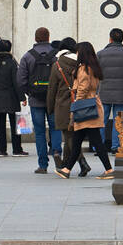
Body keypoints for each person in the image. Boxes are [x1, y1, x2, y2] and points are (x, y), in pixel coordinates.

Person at [57, 42, 114, 178]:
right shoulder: (94, 67)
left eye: (77, 52)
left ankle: (109, 170)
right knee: (77, 141)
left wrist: (78, 102)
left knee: (94, 141)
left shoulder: (83, 69)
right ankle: (66, 170)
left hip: (85, 107)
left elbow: (83, 87)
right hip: (93, 105)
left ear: (81, 53)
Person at [17, 28, 61, 174]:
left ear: (35, 38)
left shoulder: (28, 56)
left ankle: (43, 165)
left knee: (40, 132)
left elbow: (21, 80)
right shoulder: (56, 56)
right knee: (55, 128)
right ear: (49, 37)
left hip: (36, 100)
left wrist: (29, 92)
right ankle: (56, 153)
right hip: (53, 99)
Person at [47, 38, 90, 176]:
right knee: (71, 135)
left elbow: (52, 89)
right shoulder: (82, 63)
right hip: (81, 103)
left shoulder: (57, 65)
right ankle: (65, 165)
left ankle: (83, 163)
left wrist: (50, 107)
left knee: (69, 136)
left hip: (63, 105)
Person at [98, 26, 123, 152]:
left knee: (101, 120)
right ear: (122, 39)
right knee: (119, 120)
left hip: (104, 91)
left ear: (110, 39)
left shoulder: (100, 54)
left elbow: (95, 71)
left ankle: (100, 146)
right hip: (121, 92)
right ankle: (116, 146)